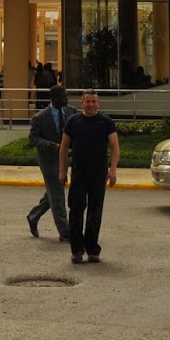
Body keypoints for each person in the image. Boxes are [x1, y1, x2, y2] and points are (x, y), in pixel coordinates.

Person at [59, 89, 119, 264]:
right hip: (78, 172)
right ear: (82, 103)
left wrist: (113, 170)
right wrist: (62, 170)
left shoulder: (106, 122)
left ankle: (92, 249)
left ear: (98, 103)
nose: (91, 104)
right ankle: (77, 250)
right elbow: (64, 147)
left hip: (99, 173)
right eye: (88, 102)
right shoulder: (73, 121)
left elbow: (115, 147)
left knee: (95, 212)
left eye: (94, 101)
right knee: (76, 211)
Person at [26, 85, 71, 242]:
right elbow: (33, 138)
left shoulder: (71, 111)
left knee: (52, 193)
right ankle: (65, 232)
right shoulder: (40, 117)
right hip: (49, 160)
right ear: (54, 99)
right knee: (57, 195)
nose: (67, 99)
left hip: (65, 158)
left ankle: (33, 216)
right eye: (64, 96)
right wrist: (48, 145)